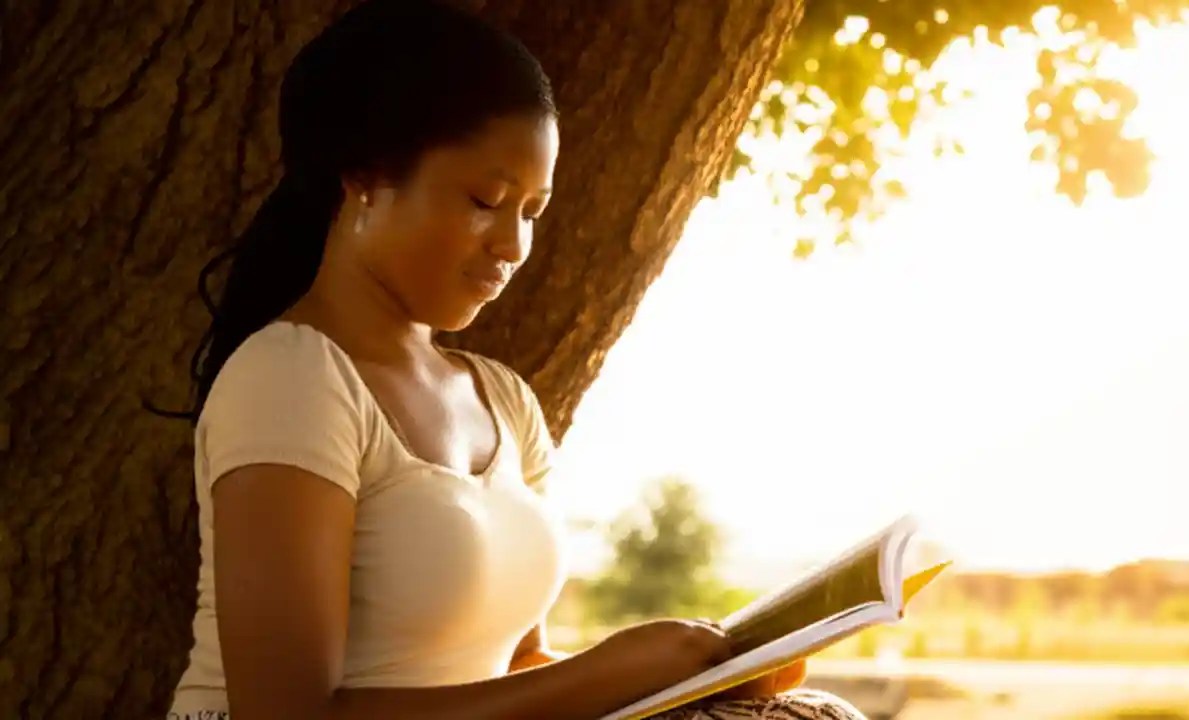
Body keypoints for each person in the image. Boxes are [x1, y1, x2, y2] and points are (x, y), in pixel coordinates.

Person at [162, 1, 866, 718]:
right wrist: (615, 669)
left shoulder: (501, 399)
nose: (513, 245)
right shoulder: (291, 379)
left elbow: (519, 670)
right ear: (366, 177)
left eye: (531, 211)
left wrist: (686, 677)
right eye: (486, 200)